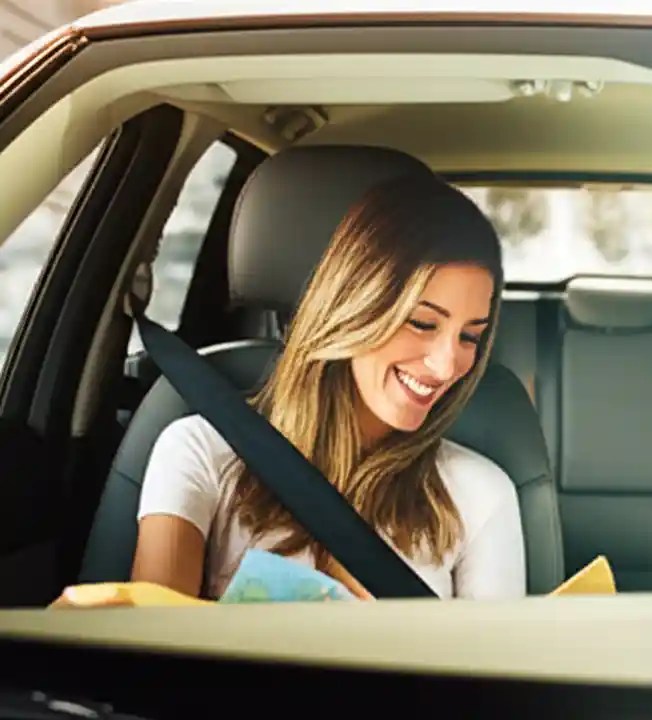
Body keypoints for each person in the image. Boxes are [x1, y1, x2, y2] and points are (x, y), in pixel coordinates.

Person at [58, 170, 524, 605]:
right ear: (353, 306)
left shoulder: (480, 493)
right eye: (421, 323)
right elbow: (152, 653)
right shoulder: (200, 452)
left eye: (470, 336)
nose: (447, 365)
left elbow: (495, 685)